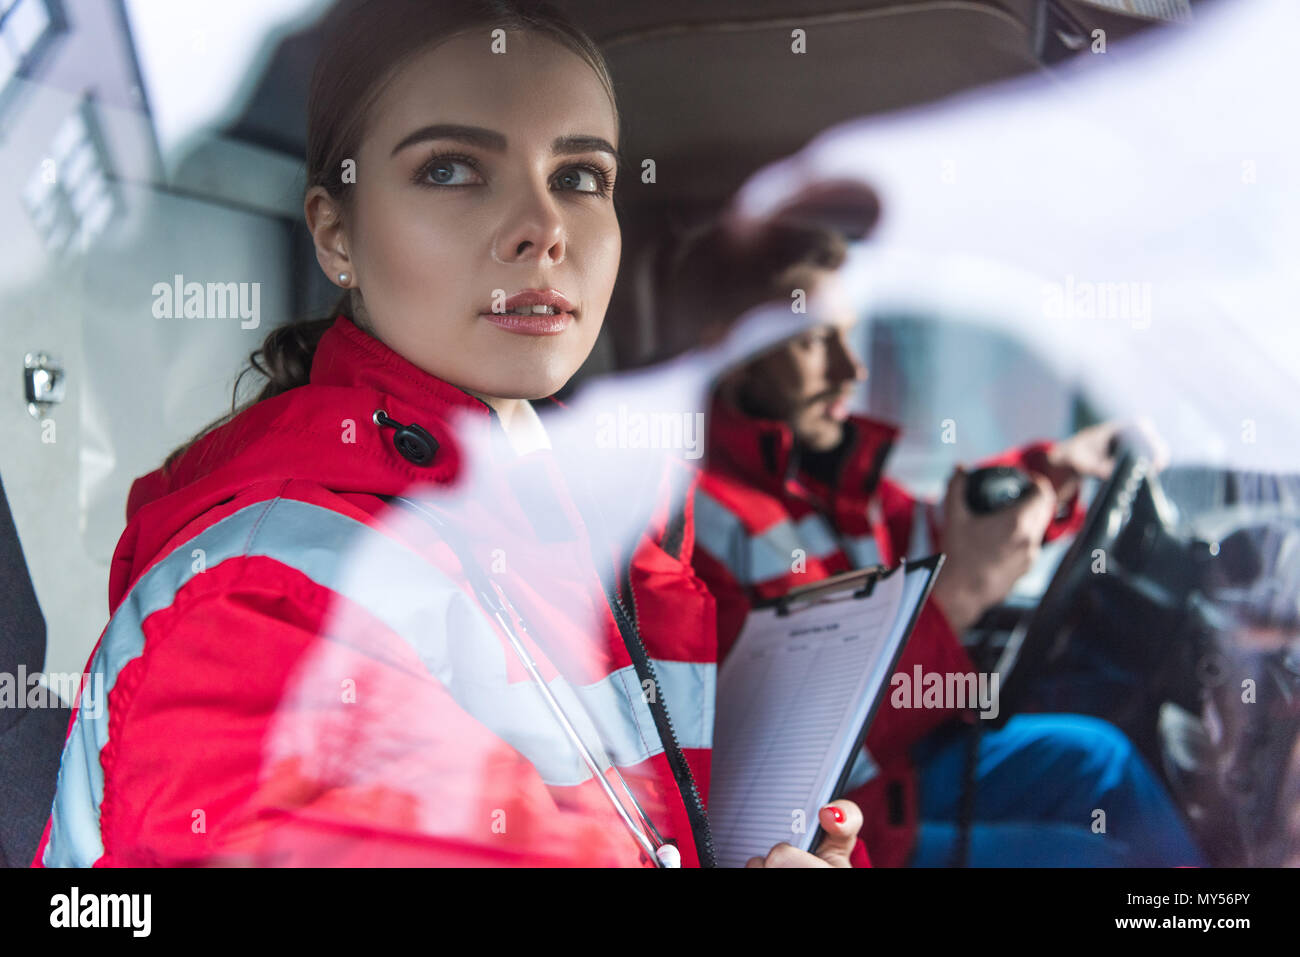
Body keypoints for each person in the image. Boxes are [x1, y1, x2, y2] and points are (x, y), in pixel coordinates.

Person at [32, 0, 866, 869]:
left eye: (580, 177)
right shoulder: (259, 595)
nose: (544, 229)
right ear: (333, 233)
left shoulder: (607, 524)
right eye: (453, 170)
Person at [665, 213, 1206, 866]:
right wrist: (960, 598)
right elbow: (782, 756)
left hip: (900, 779)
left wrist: (1054, 468)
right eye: (813, 341)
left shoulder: (821, 474)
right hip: (842, 831)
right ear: (728, 346)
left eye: (848, 336)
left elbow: (938, 528)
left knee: (1101, 756)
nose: (852, 369)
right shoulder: (691, 519)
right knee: (1105, 861)